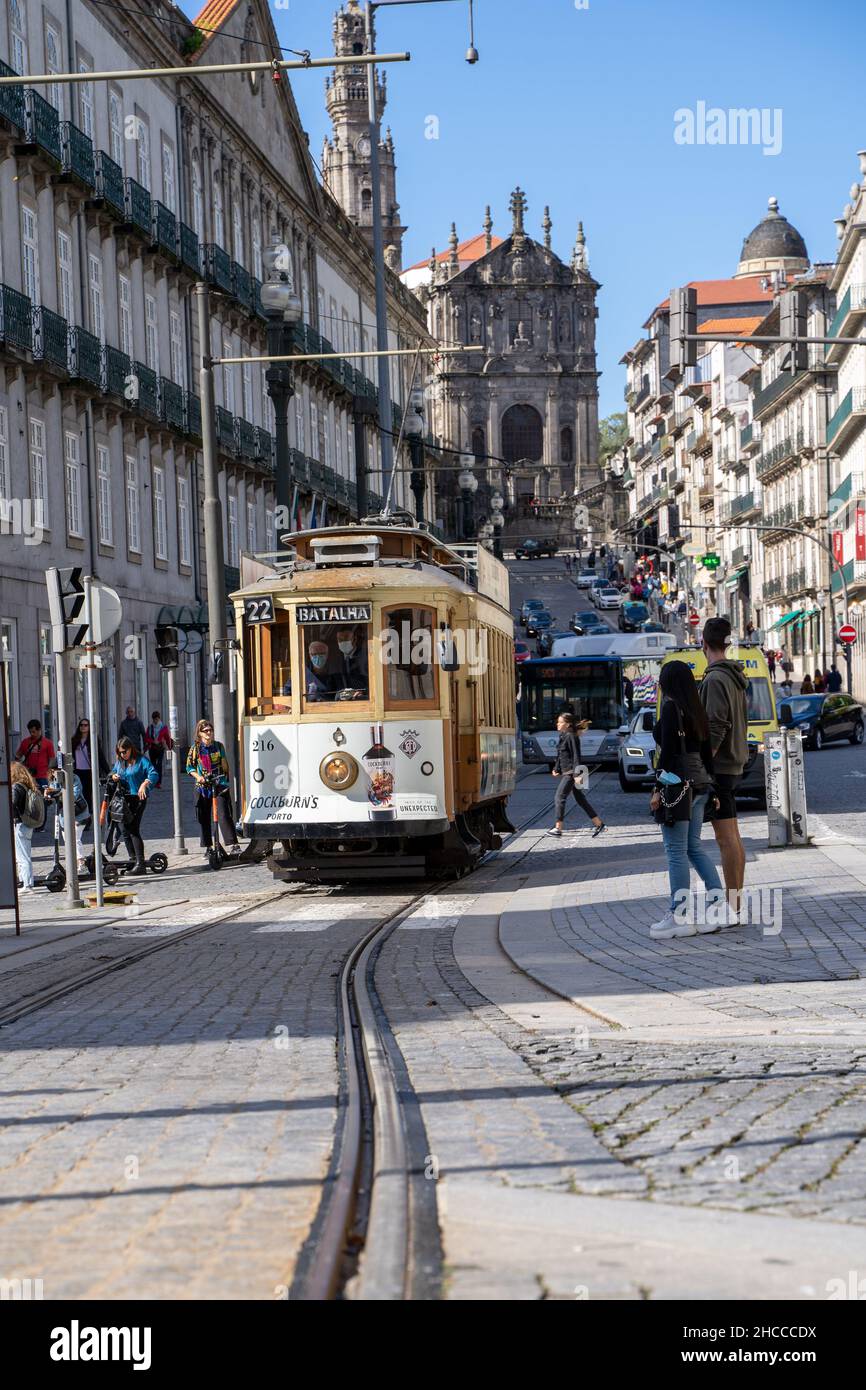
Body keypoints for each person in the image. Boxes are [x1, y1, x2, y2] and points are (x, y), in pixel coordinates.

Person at [649, 660, 724, 939]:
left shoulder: (671, 707)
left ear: (667, 683)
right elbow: (707, 754)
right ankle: (718, 907)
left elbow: (667, 754)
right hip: (701, 784)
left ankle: (678, 915)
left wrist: (658, 787)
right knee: (693, 847)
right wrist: (712, 787)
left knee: (675, 851)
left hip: (677, 786)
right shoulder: (697, 709)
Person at [699, 616, 749, 923]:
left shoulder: (716, 679)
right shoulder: (733, 676)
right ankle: (736, 904)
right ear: (727, 643)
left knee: (725, 838)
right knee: (732, 836)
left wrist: (704, 766)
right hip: (734, 762)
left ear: (703, 644)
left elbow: (716, 727)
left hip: (721, 766)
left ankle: (732, 908)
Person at [186, 719, 240, 858]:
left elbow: (225, 765)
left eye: (211, 730)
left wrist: (224, 780)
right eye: (206, 731)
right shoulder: (195, 748)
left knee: (223, 815)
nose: (209, 733)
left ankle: (234, 844)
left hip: (219, 784)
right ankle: (208, 847)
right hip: (202, 786)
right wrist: (199, 777)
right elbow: (189, 767)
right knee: (203, 818)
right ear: (200, 733)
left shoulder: (218, 746)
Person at [546, 712, 605, 838]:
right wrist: (556, 768)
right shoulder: (563, 735)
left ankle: (558, 828)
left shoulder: (572, 736)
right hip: (570, 771)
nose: (557, 724)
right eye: (558, 722)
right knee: (581, 799)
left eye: (560, 722)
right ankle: (599, 824)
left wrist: (577, 774)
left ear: (567, 724)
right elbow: (560, 755)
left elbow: (576, 755)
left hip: (573, 772)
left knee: (559, 797)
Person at [107, 736, 158, 875]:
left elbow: (153, 773)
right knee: (124, 829)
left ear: (130, 749)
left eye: (124, 752)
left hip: (139, 798)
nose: (122, 755)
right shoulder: (120, 762)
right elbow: (114, 771)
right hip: (125, 799)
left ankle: (140, 864)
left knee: (133, 828)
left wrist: (145, 783)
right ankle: (133, 859)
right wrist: (114, 776)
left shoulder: (142, 760)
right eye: (120, 752)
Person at [46, 768, 90, 874]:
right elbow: (53, 798)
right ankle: (73, 865)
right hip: (63, 817)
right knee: (68, 841)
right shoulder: (53, 780)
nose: (54, 773)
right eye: (52, 771)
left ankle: (82, 865)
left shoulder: (74, 778)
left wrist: (57, 793)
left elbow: (73, 795)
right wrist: (48, 795)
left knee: (75, 839)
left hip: (78, 814)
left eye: (56, 770)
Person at [11, 761, 42, 892]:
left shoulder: (16, 787)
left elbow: (12, 804)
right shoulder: (27, 785)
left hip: (19, 823)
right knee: (25, 854)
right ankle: (27, 882)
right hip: (28, 824)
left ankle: (27, 884)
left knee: (22, 856)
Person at [71, 718, 109, 816]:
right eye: (81, 725)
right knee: (79, 795)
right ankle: (82, 816)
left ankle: (87, 816)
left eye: (85, 725)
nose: (83, 727)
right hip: (78, 771)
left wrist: (108, 771)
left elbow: (100, 756)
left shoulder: (93, 740)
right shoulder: (74, 740)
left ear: (89, 727)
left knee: (87, 795)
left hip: (89, 771)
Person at [15, 719, 56, 788]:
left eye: (34, 732)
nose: (32, 734)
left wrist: (50, 773)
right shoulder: (25, 742)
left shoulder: (48, 743)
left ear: (39, 730)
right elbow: (17, 756)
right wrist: (21, 769)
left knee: (43, 796)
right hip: (28, 776)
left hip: (43, 776)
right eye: (30, 732)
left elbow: (52, 759)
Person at [334, 627, 368, 697]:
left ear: (354, 639)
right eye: (340, 640)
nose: (343, 642)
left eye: (346, 638)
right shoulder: (336, 659)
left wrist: (364, 692)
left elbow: (372, 680)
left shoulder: (366, 656)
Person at [146, 711, 173, 787]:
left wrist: (170, 747)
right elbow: (147, 738)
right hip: (152, 748)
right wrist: (153, 741)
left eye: (157, 719)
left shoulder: (163, 727)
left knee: (159, 765)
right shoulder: (150, 727)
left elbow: (167, 737)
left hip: (161, 748)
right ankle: (154, 781)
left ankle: (159, 782)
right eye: (154, 719)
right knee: (153, 765)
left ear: (159, 718)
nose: (155, 721)